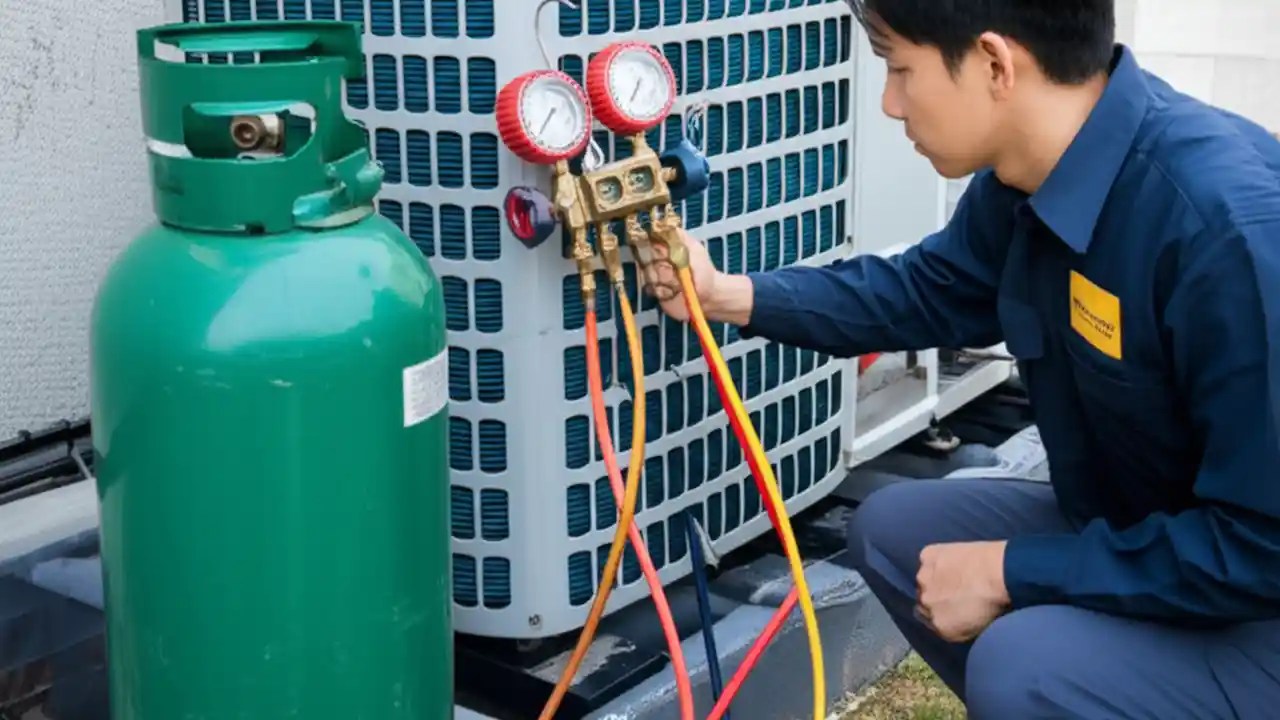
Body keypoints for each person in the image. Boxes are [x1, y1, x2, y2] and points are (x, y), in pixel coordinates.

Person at [649, 0, 1280, 717]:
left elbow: (1263, 546)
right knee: (896, 535)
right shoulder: (1032, 177)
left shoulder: (1227, 232)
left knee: (1024, 666)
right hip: (1152, 531)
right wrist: (727, 295)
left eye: (900, 69)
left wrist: (1015, 571)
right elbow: (925, 292)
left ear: (993, 64)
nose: (890, 104)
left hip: (1258, 599)